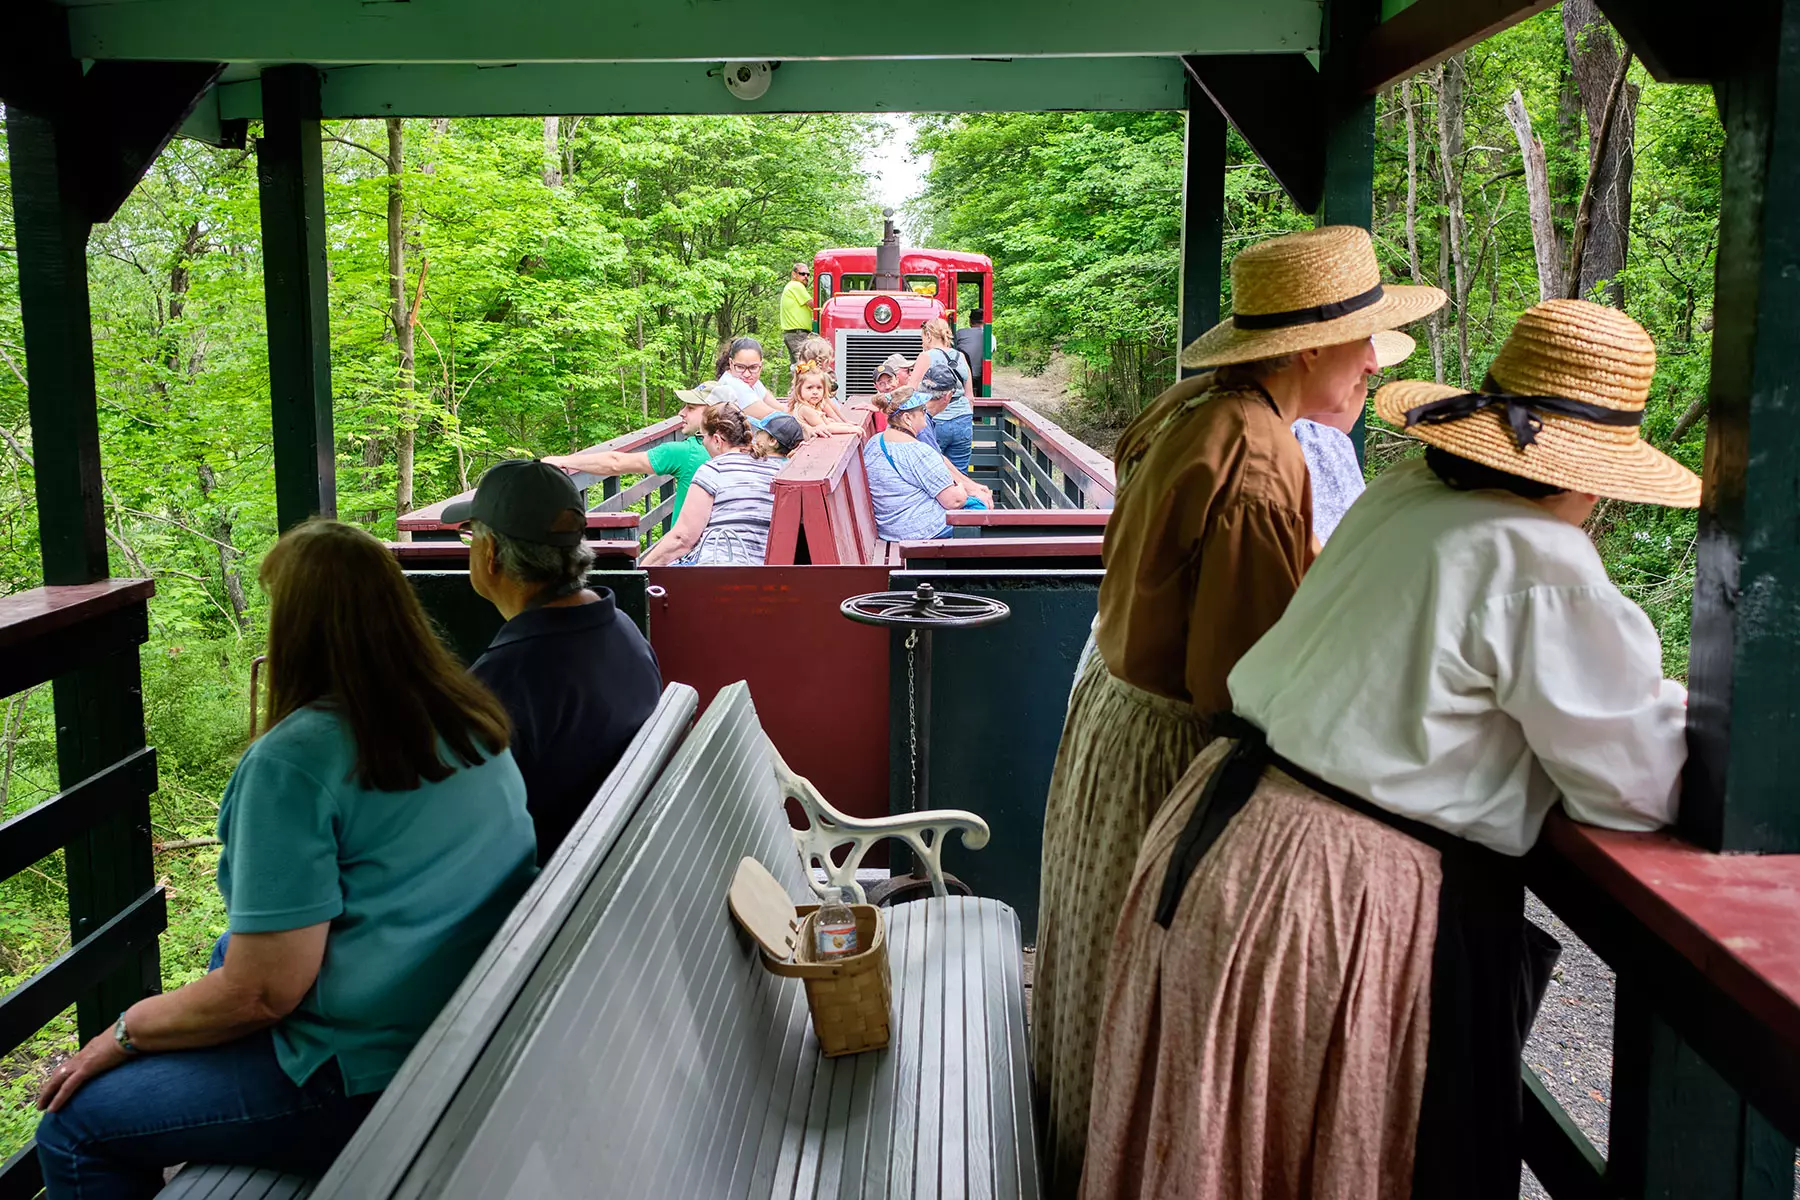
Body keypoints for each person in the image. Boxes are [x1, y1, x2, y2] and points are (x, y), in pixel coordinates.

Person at [1081, 300, 1698, 1200]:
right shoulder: (1538, 564)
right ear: (1592, 475)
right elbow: (1636, 787)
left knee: (1229, 1139)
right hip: (1337, 892)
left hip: (1230, 834)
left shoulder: (1406, 495)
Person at [1031, 226, 1445, 1198]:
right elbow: (1247, 681)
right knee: (1146, 1001)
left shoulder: (1199, 411)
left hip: (1114, 717)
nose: (1370, 375)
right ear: (1307, 347)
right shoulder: (1261, 461)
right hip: (1167, 743)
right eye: (1363, 350)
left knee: (1098, 976)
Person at [34, 521, 537, 1198]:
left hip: (363, 1078)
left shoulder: (296, 763)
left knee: (74, 1127)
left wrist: (121, 1033)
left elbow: (262, 993)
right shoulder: (469, 719)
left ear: (293, 629)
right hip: (464, 1028)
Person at [445, 460, 663, 863]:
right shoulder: (621, 629)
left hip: (548, 896)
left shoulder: (502, 684)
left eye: (469, 536)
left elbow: (459, 838)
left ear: (490, 553)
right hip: (619, 861)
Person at [639, 406, 799, 566]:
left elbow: (682, 539)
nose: (702, 442)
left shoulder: (713, 470)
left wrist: (640, 574)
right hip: (767, 571)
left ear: (716, 440)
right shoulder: (776, 470)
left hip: (719, 574)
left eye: (702, 436)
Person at [541, 381, 719, 522]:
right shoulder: (742, 447)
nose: (681, 412)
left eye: (691, 408)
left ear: (711, 413)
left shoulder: (686, 452)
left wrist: (565, 461)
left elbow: (615, 463)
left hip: (689, 558)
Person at [863, 391, 994, 542]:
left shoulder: (875, 441)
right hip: (920, 529)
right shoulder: (918, 451)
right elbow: (953, 501)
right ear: (907, 418)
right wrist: (963, 489)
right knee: (979, 507)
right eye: (922, 411)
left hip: (890, 525)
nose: (925, 413)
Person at [901, 317, 976, 470]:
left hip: (937, 420)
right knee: (960, 473)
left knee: (931, 470)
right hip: (963, 419)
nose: (922, 343)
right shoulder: (960, 356)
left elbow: (910, 390)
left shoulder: (926, 356)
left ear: (928, 335)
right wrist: (967, 418)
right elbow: (970, 397)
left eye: (922, 338)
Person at [790, 365, 862, 437]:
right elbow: (826, 428)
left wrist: (848, 426)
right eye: (809, 388)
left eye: (819, 388)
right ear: (799, 390)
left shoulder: (814, 407)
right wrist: (850, 430)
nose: (815, 392)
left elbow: (829, 424)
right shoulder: (805, 409)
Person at [713, 336, 779, 414]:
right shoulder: (733, 385)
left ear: (761, 365)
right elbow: (774, 417)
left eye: (753, 367)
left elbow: (780, 409)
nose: (747, 374)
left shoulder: (752, 383)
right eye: (740, 367)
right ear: (730, 363)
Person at [780, 261, 815, 375]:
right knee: (805, 367)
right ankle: (803, 391)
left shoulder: (791, 287)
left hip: (792, 334)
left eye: (808, 274)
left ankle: (796, 390)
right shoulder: (796, 285)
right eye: (802, 273)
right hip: (798, 334)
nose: (806, 277)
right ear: (794, 274)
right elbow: (813, 304)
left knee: (797, 368)